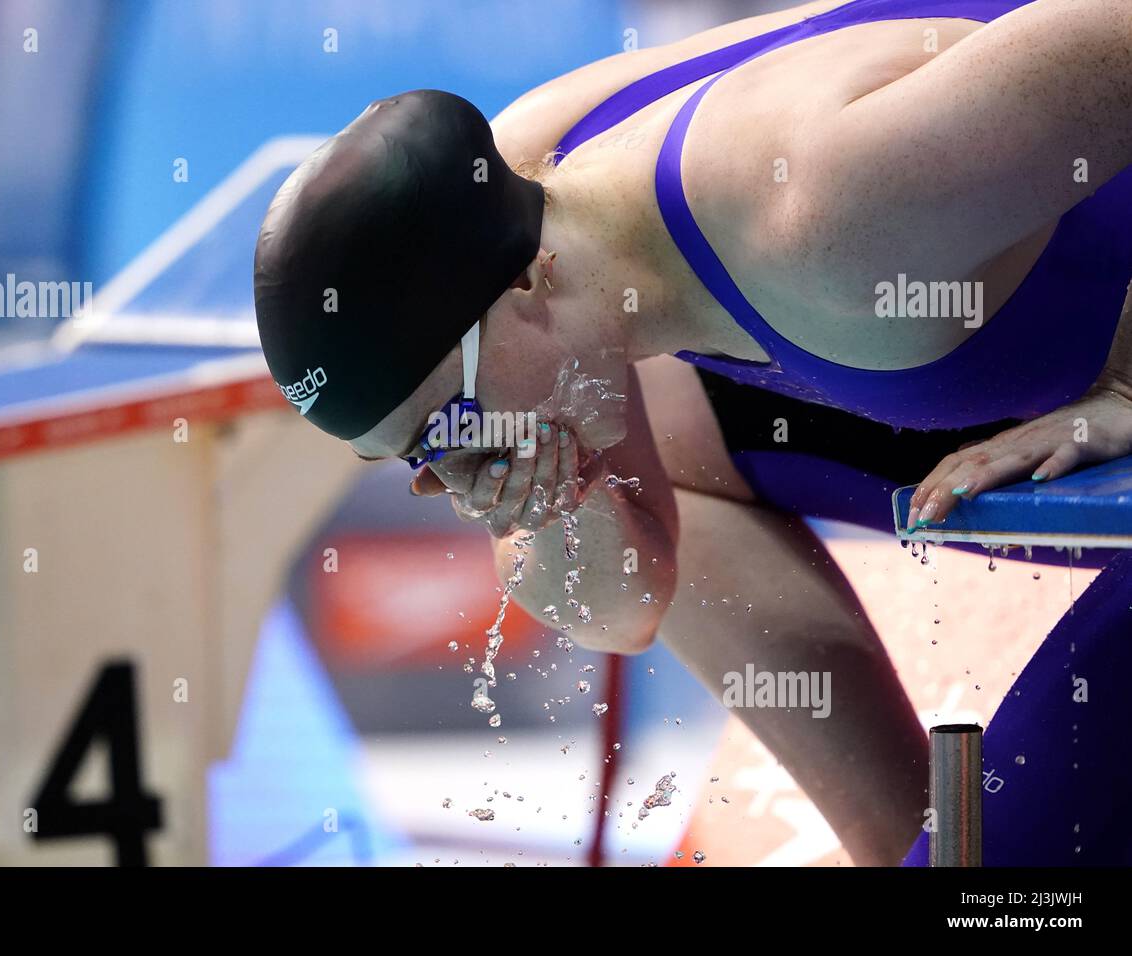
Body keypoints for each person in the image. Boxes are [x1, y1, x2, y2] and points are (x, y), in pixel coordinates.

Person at [254, 0, 1132, 864]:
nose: (449, 478)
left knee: (1005, 886)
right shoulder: (530, 185)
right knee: (678, 460)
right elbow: (619, 609)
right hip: (1003, 367)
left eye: (443, 429)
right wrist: (570, 502)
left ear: (522, 293)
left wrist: (1125, 391)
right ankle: (902, 844)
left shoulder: (827, 200)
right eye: (411, 461)